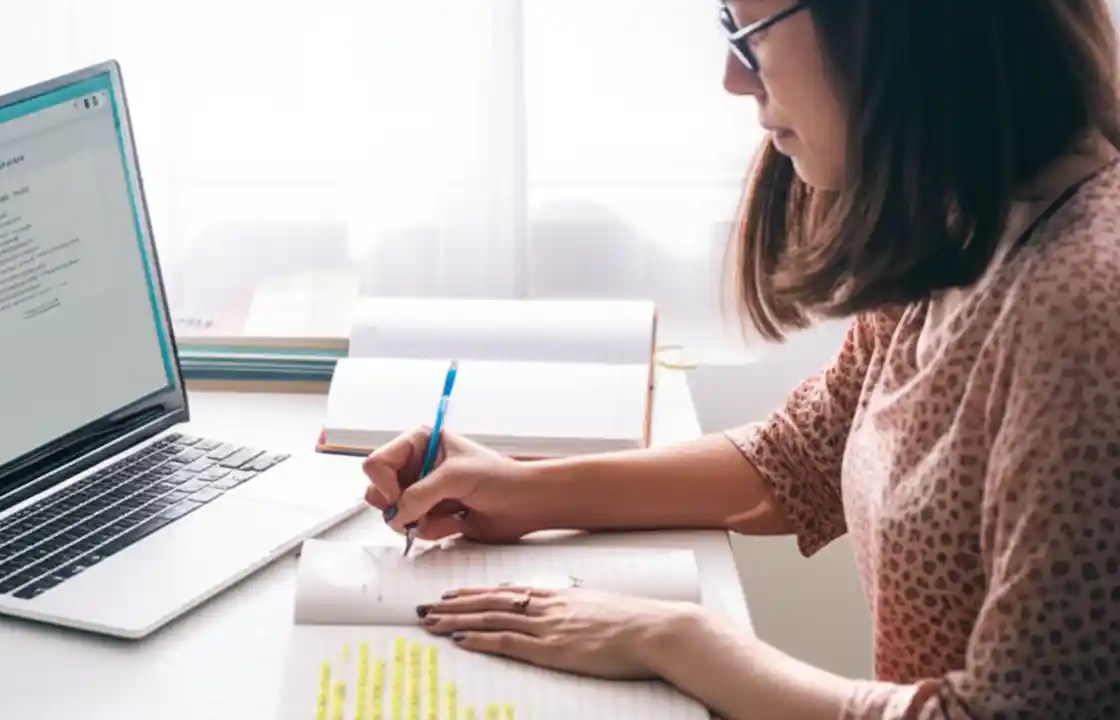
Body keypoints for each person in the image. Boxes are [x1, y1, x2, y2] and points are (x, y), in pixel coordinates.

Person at [361, 1, 1120, 717]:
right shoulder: (969, 218)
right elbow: (803, 456)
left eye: (748, 32)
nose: (732, 77)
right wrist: (524, 492)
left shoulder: (1084, 315)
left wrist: (681, 640)